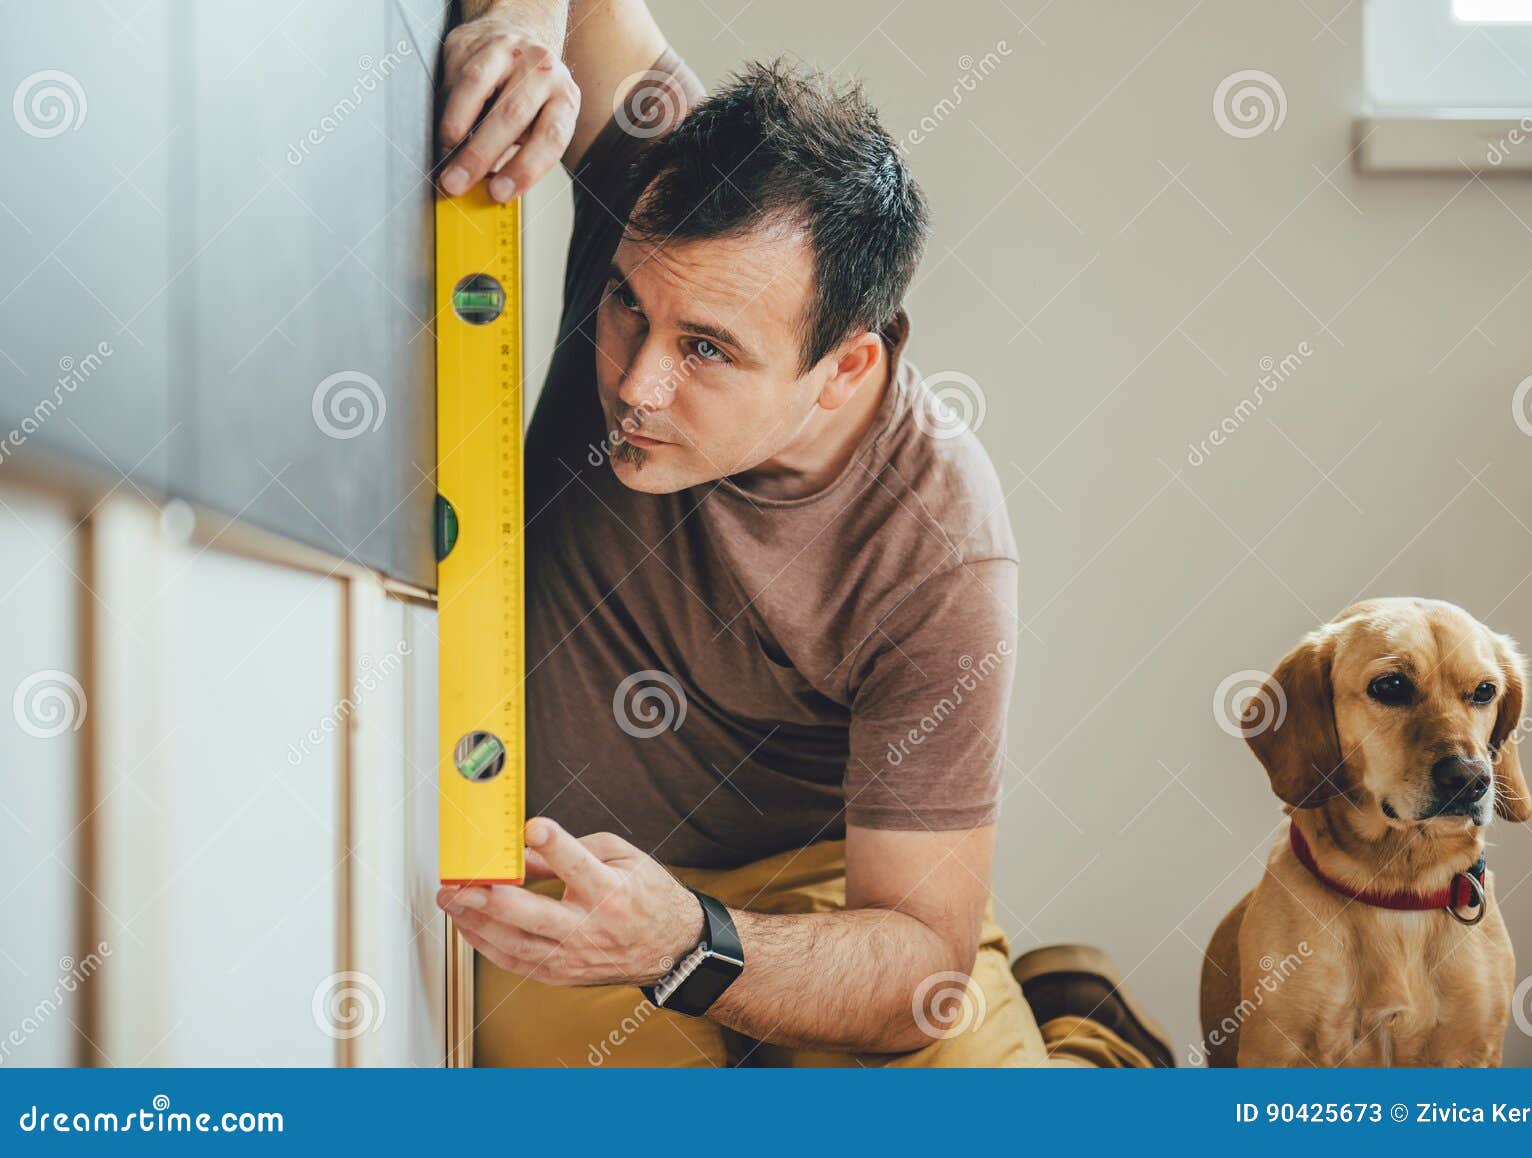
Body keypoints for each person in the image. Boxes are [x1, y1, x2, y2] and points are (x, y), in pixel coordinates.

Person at [433, 0, 1173, 1068]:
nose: (635, 384)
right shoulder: (663, 184)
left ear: (845, 373)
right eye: (628, 308)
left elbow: (915, 964)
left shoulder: (938, 545)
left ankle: (1082, 1045)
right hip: (563, 865)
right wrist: (518, 32)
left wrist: (686, 940)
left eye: (707, 350)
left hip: (819, 894)